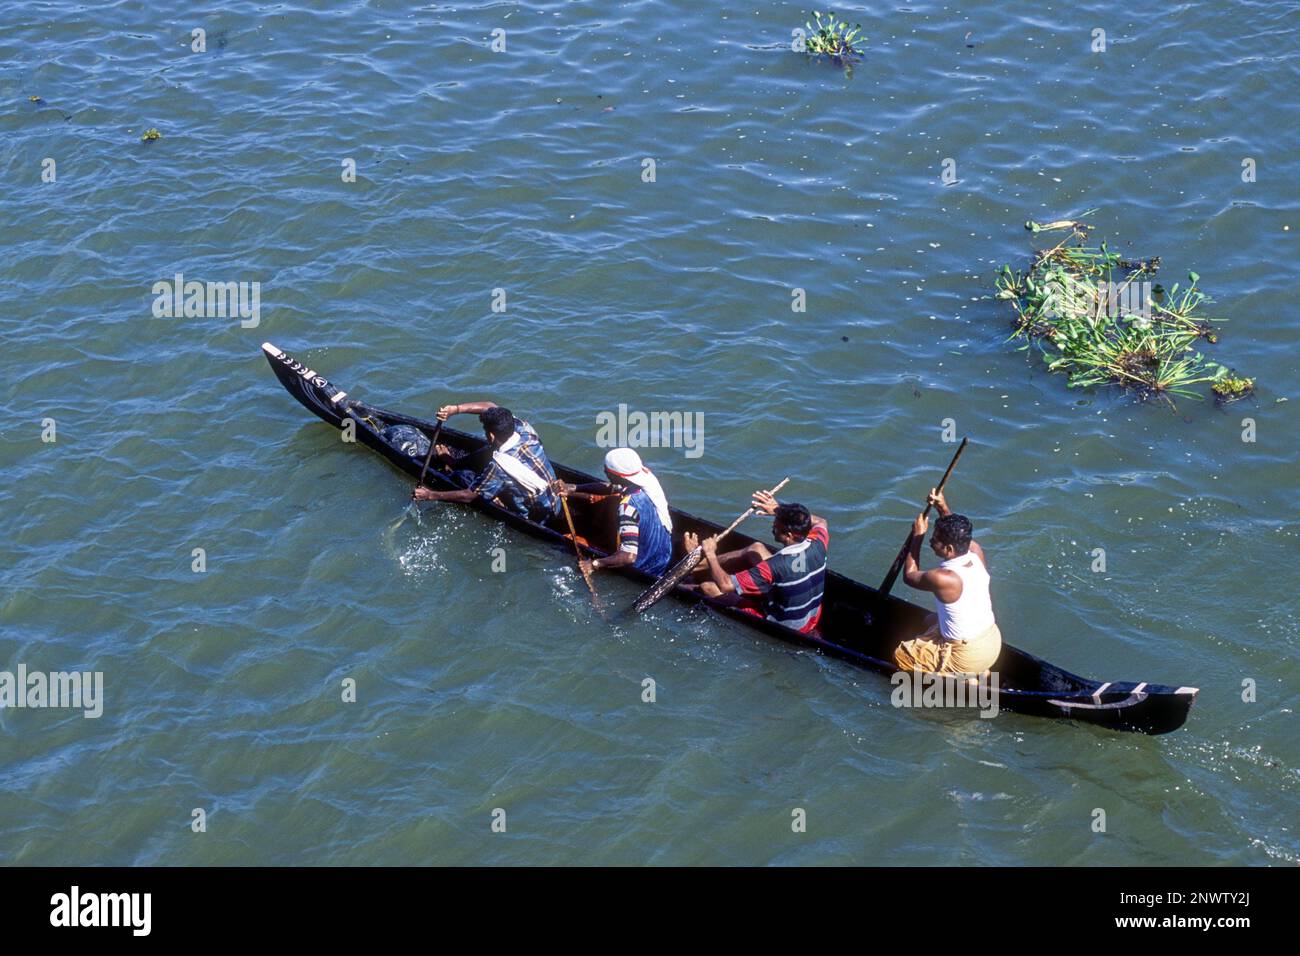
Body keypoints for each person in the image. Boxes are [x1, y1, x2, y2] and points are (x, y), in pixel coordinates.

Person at [682, 490, 829, 635]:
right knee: (756, 549)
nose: (773, 527)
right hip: (811, 618)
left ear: (789, 535)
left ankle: (684, 583)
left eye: (776, 525)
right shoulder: (819, 542)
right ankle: (697, 567)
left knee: (708, 587)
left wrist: (710, 553)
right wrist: (778, 509)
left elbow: (726, 585)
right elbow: (821, 521)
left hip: (786, 626)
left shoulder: (775, 565)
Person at [893, 489, 1002, 675]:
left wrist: (918, 536)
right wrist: (942, 506)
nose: (931, 541)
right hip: (992, 640)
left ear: (949, 549)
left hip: (967, 654)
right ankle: (974, 669)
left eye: (935, 540)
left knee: (900, 657)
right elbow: (957, 532)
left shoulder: (944, 578)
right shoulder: (975, 551)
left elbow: (910, 575)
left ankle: (965, 677)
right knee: (929, 620)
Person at [411, 402, 560, 522]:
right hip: (557, 501)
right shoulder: (525, 429)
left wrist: (430, 495)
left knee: (464, 477)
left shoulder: (499, 467)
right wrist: (454, 410)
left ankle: (455, 468)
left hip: (537, 516)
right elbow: (489, 406)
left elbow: (469, 496)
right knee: (490, 451)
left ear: (491, 435)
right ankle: (455, 463)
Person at [563, 448, 674, 578]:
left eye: (607, 470)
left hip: (645, 569)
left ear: (618, 476)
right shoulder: (647, 480)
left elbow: (629, 557)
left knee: (567, 540)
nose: (604, 471)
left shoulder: (627, 508)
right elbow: (612, 488)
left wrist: (594, 564)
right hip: (664, 558)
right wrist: (574, 488)